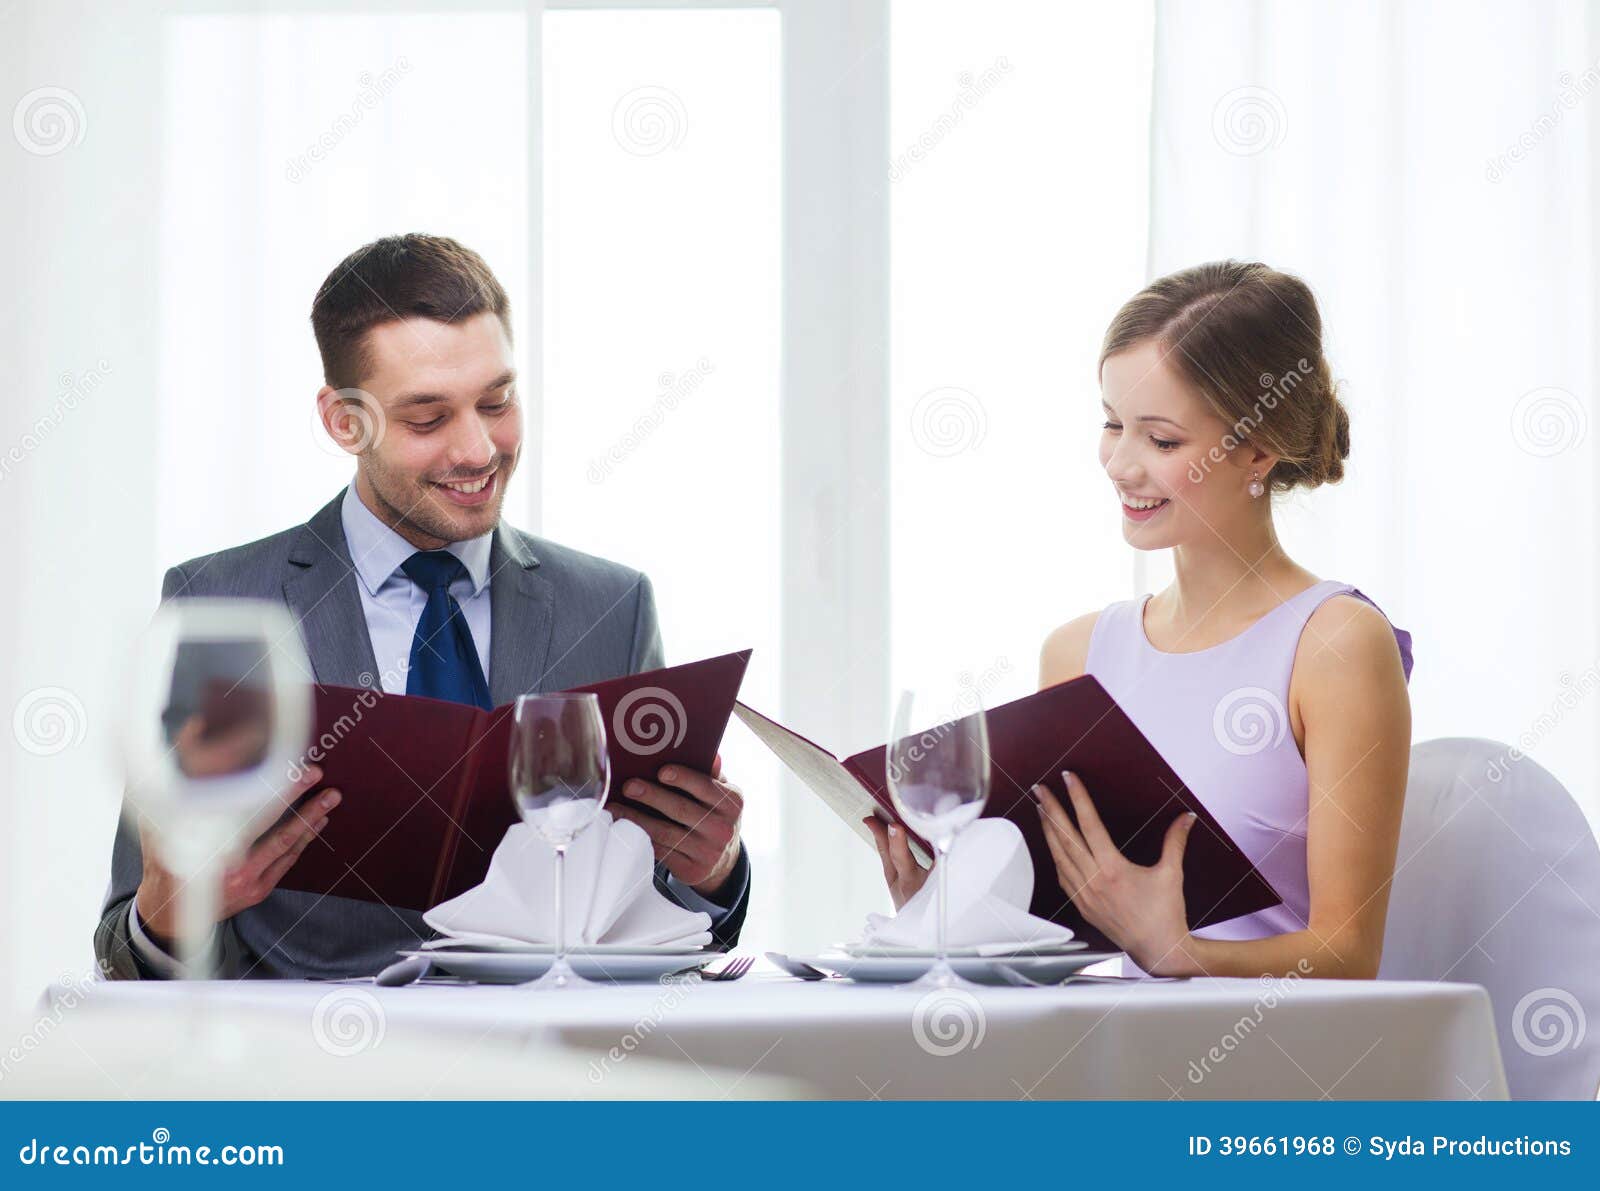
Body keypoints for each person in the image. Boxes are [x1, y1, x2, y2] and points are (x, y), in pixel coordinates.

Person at [96, 234, 750, 979]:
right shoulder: (215, 604)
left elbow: (663, 914)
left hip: (558, 1073)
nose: (478, 449)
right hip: (318, 1076)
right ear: (345, 421)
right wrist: (170, 916)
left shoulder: (611, 605)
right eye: (427, 419)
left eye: (496, 403)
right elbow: (124, 946)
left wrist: (714, 869)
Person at [868, 261, 1413, 979]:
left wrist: (1185, 953)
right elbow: (1055, 927)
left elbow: (1348, 952)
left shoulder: (1336, 643)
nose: (1120, 464)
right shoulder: (1078, 651)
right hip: (1114, 1056)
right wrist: (946, 915)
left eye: (1161, 440)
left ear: (1256, 448)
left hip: (1276, 1065)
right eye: (1111, 424)